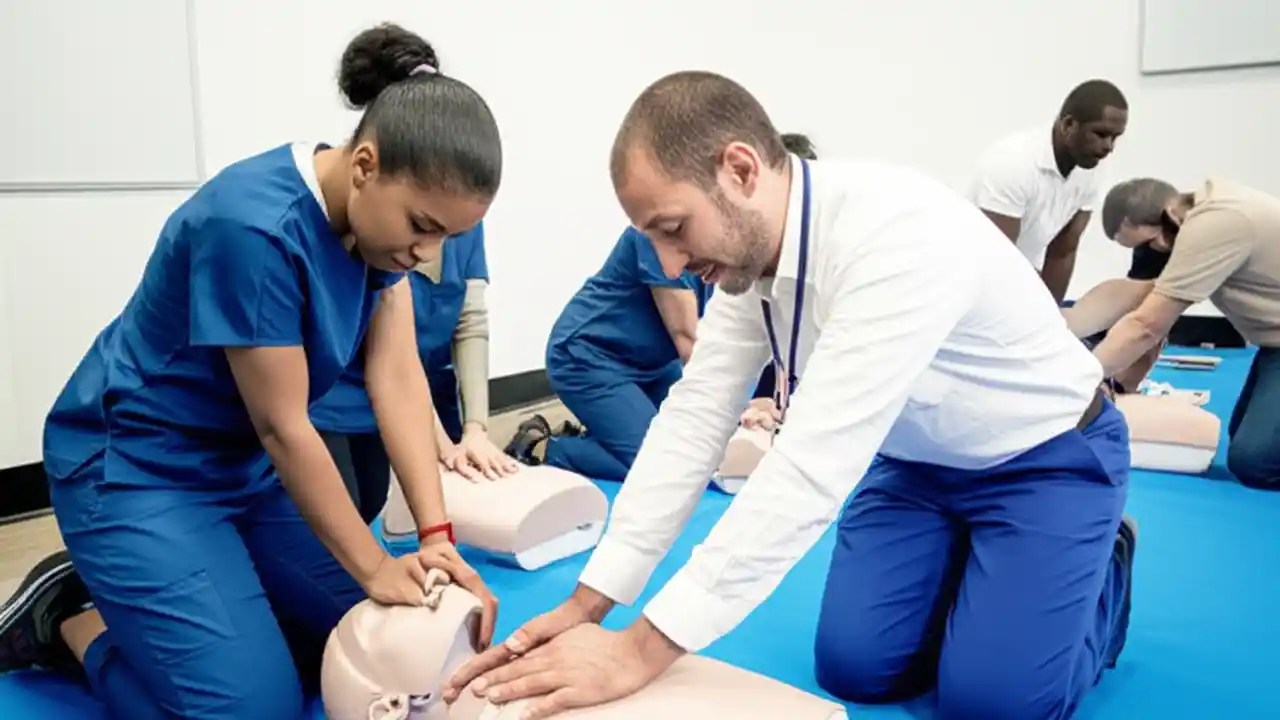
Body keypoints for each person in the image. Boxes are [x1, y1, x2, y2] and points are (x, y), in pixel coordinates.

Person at [443, 70, 1137, 720]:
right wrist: (589, 604)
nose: (671, 265)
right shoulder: (755, 260)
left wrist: (638, 652)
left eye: (674, 230)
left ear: (740, 171)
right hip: (919, 468)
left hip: (1045, 461)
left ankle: (1101, 572)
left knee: (989, 705)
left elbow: (809, 470)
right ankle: (982, 579)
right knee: (855, 668)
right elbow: (693, 419)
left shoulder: (897, 236)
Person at [0, 24, 501, 719]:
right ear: (364, 166)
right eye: (421, 226)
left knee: (369, 644)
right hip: (137, 471)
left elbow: (398, 380)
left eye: (446, 235)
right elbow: (285, 428)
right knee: (252, 709)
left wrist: (435, 537)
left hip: (242, 471)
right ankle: (72, 626)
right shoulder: (256, 228)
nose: (427, 252)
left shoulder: (382, 237)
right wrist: (378, 567)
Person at [508, 134, 818, 476]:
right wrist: (744, 409)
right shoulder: (666, 229)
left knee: (689, 443)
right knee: (657, 465)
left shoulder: (745, 243)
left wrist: (770, 401)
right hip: (590, 356)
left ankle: (607, 432)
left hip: (655, 363)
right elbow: (689, 339)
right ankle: (546, 446)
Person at [311, 218, 519, 525]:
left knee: (372, 498)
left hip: (418, 383)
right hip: (341, 388)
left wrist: (476, 430)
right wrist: (443, 448)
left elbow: (471, 321)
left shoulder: (467, 222)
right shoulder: (390, 231)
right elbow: (397, 363)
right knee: (343, 508)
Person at [1088, 175, 1280, 490]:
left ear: (1168, 217)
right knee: (1244, 442)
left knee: (1257, 462)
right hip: (1274, 344)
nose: (1146, 257)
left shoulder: (1217, 226)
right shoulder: (1183, 223)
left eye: (1145, 246)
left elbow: (1147, 326)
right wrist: (1120, 386)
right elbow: (1141, 315)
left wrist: (1081, 378)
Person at [968, 79, 1128, 304]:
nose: (1109, 147)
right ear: (1068, 125)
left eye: (1115, 138)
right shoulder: (1012, 163)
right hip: (973, 280)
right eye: (1100, 134)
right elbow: (998, 259)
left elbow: (1063, 251)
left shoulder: (1091, 167)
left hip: (1017, 274)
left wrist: (1051, 321)